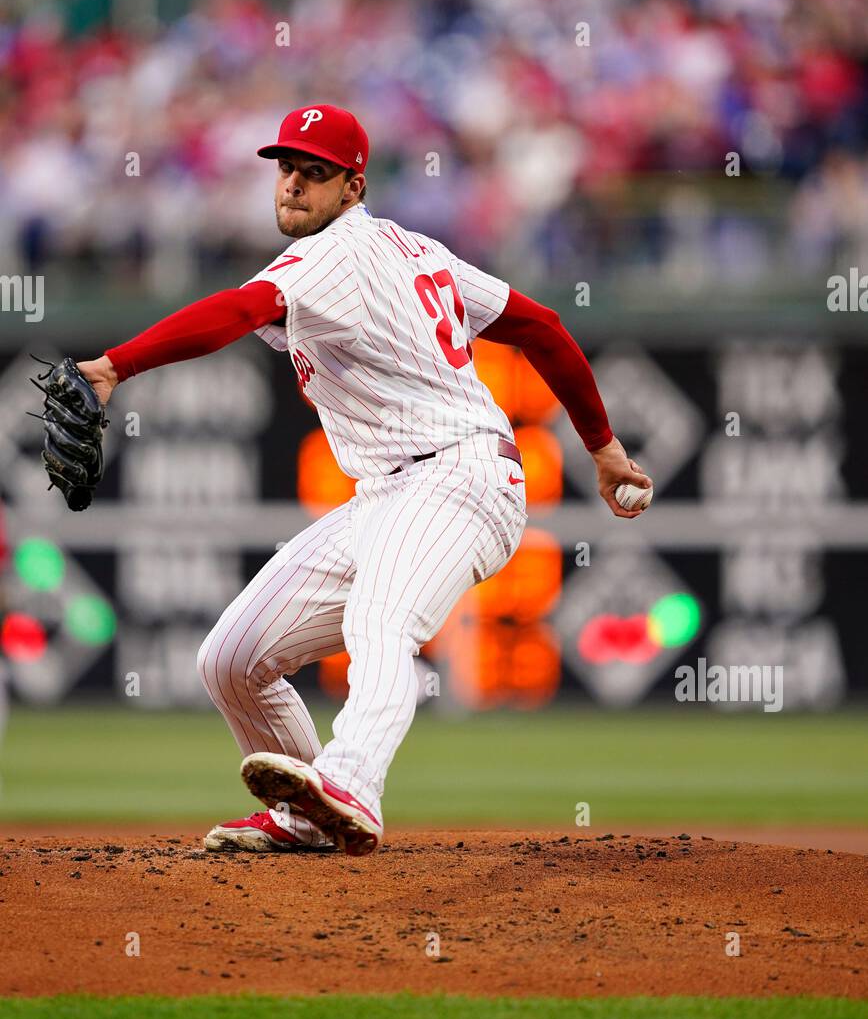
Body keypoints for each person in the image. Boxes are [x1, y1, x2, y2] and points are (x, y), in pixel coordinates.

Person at [77, 103, 652, 856]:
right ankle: (305, 816)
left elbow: (238, 309)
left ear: (353, 186)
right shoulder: (418, 251)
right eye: (285, 167)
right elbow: (539, 325)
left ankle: (352, 781)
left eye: (315, 172)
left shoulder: (331, 256)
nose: (293, 184)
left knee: (379, 624)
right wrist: (603, 448)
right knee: (231, 660)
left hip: (461, 474)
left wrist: (116, 364)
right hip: (388, 492)